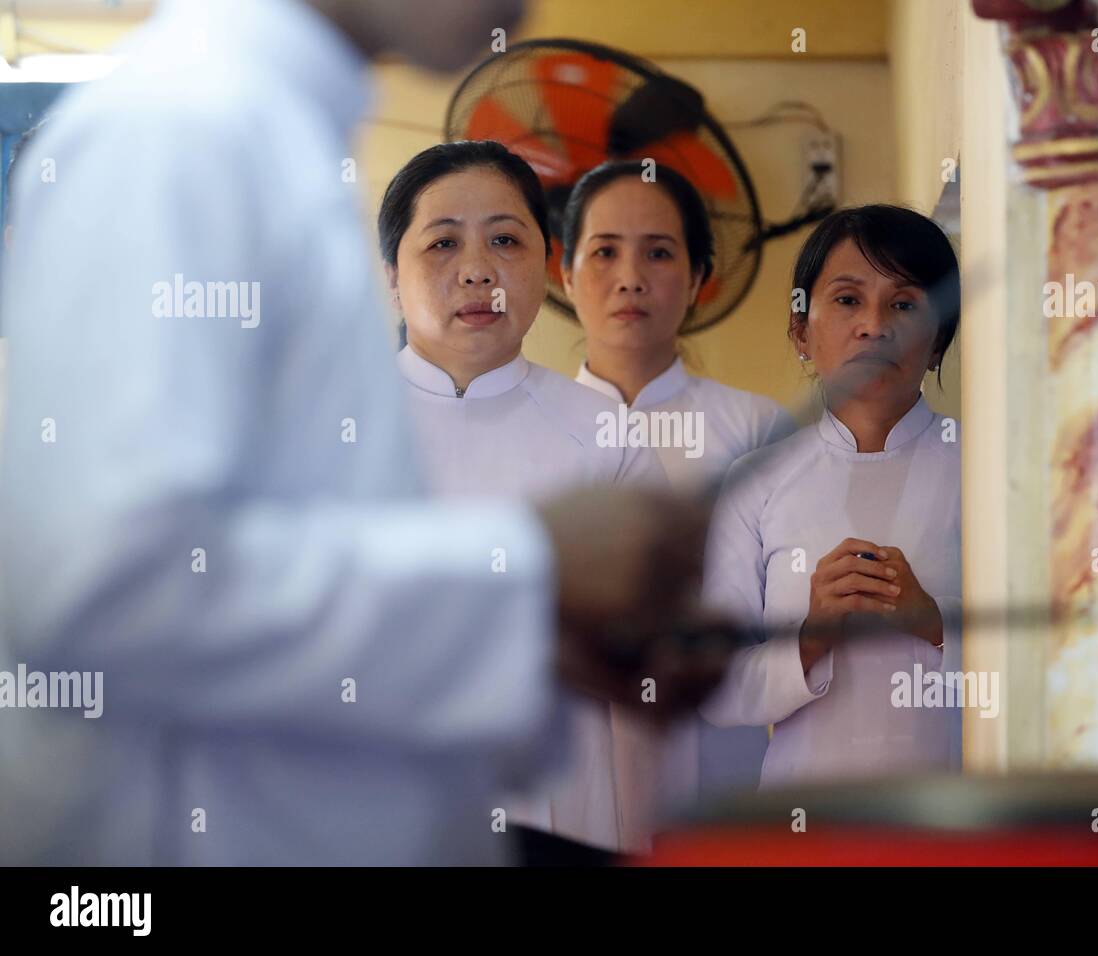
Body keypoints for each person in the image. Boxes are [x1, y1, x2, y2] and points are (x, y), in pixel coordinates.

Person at [0, 0, 717, 865]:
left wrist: (550, 639)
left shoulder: (281, 140)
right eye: (442, 244)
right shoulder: (183, 132)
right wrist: (527, 569)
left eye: (505, 239)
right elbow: (102, 584)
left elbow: (270, 605)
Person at [380, 140, 674, 857]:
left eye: (505, 241)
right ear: (391, 277)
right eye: (443, 243)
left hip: (561, 816)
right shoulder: (327, 429)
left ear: (545, 266)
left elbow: (656, 644)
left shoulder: (606, 435)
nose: (477, 270)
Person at [700, 204, 963, 787]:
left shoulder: (985, 473)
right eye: (847, 300)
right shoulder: (753, 483)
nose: (874, 326)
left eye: (904, 304)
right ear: (802, 332)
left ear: (938, 340)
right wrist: (810, 638)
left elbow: (1044, 669)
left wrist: (934, 624)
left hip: (955, 821)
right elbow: (716, 689)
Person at [562, 161, 794, 805]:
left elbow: (778, 615)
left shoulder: (756, 427)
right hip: (570, 782)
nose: (629, 279)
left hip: (718, 772)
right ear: (565, 271)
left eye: (658, 253)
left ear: (698, 279)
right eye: (604, 251)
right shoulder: (538, 426)